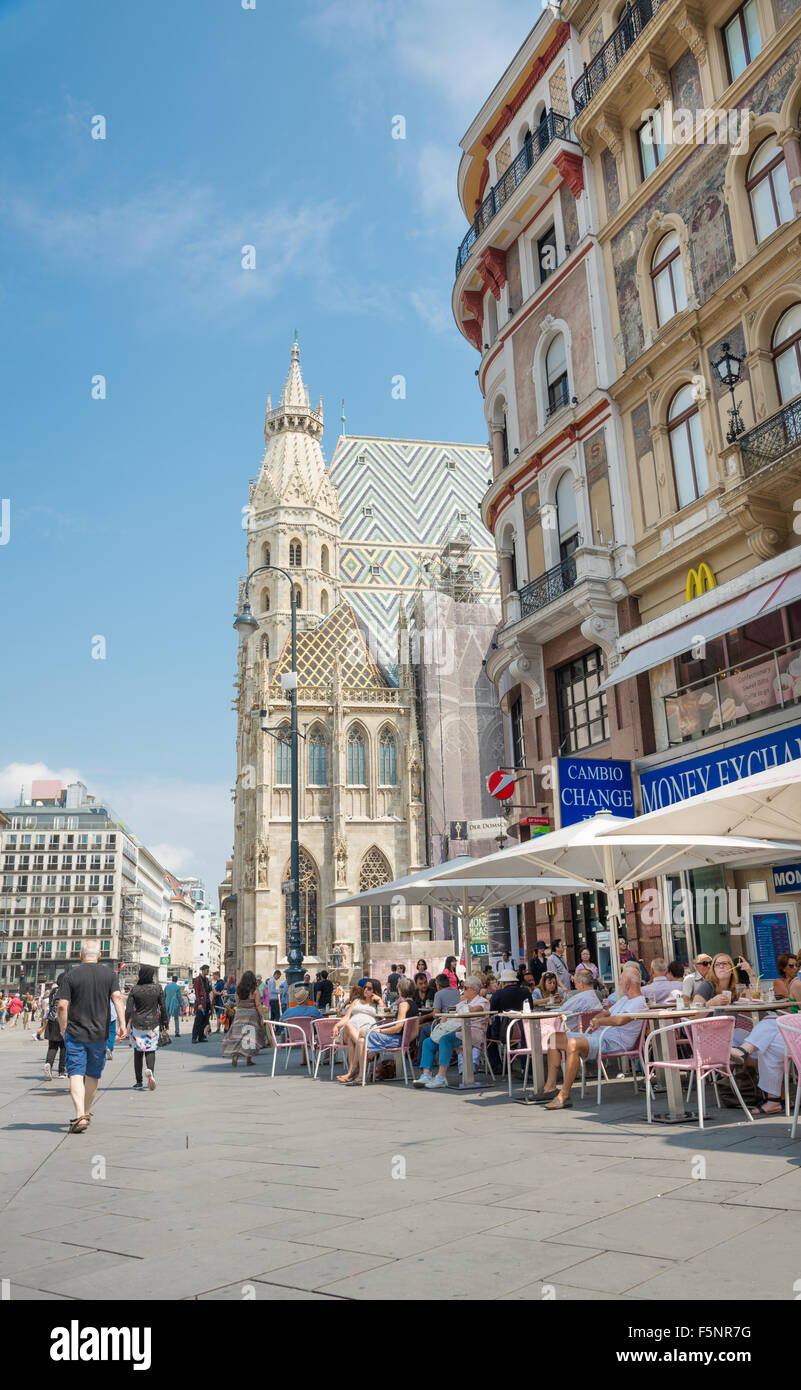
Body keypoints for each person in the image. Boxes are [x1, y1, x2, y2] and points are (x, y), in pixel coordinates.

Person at [539, 964, 647, 1110]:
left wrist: (600, 1020)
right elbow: (607, 1012)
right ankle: (550, 1088)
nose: (619, 983)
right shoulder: (625, 1000)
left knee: (573, 1044)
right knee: (554, 1038)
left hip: (614, 1042)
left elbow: (620, 1020)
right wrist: (599, 1018)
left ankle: (563, 1095)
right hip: (600, 1036)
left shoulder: (638, 1002)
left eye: (621, 980)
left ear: (628, 983)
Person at [57, 942, 126, 1133]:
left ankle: (80, 1114)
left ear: (80, 955)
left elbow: (62, 1005)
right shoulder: (110, 975)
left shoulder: (71, 975)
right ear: (100, 955)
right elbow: (118, 998)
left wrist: (64, 1029)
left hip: (76, 1032)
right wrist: (122, 1024)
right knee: (93, 1074)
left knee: (76, 1073)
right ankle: (86, 1112)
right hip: (99, 1033)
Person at [414, 976, 489, 1089]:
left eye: (465, 988)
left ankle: (441, 1077)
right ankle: (426, 1074)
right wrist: (445, 1017)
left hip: (472, 1032)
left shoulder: (482, 1001)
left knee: (445, 1039)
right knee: (428, 1042)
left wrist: (466, 1006)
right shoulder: (462, 1002)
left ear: (474, 989)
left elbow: (479, 1009)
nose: (463, 990)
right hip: (455, 1030)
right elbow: (450, 1011)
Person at [348, 978, 420, 1080]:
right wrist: (405, 1042)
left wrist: (380, 1030)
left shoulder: (403, 1005)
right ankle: (359, 1075)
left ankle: (356, 1069)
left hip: (396, 1040)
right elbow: (415, 1032)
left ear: (400, 990)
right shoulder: (415, 1006)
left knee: (363, 1032)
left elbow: (397, 1028)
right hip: (401, 1040)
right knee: (361, 1040)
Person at [126, 966, 167, 1092]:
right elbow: (163, 1006)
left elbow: (128, 1010)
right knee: (151, 1050)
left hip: (137, 1024)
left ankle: (139, 1081)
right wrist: (165, 1021)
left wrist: (125, 1023)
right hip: (153, 1024)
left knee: (138, 1052)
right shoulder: (157, 988)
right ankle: (151, 1073)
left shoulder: (135, 989)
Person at [334, 982, 381, 1083]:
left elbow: (384, 1015)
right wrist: (337, 1026)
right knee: (348, 1025)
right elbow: (347, 1017)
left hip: (366, 1031)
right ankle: (367, 1049)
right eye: (365, 987)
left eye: (369, 988)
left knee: (353, 1040)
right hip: (350, 1029)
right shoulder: (356, 1001)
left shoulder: (376, 1004)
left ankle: (351, 1073)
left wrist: (380, 1000)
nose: (365, 990)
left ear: (375, 991)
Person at [222, 970, 268, 1068]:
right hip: (251, 1015)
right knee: (250, 1037)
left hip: (240, 1014)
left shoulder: (238, 990)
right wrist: (262, 1016)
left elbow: (237, 1003)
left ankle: (235, 1055)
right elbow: (258, 1004)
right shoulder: (254, 990)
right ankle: (248, 1059)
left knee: (238, 1035)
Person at [42, 975, 68, 1081]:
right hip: (63, 1021)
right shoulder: (67, 990)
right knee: (64, 1047)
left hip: (52, 1021)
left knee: (52, 1046)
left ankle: (48, 1064)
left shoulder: (53, 991)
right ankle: (61, 1071)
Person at [192, 964, 213, 1044]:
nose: (208, 971)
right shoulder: (198, 979)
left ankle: (201, 1037)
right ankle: (194, 1037)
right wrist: (199, 1004)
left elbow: (209, 990)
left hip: (207, 1004)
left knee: (205, 1020)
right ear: (203, 970)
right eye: (207, 970)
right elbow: (196, 992)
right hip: (201, 1004)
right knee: (198, 1020)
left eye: (208, 970)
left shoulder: (207, 980)